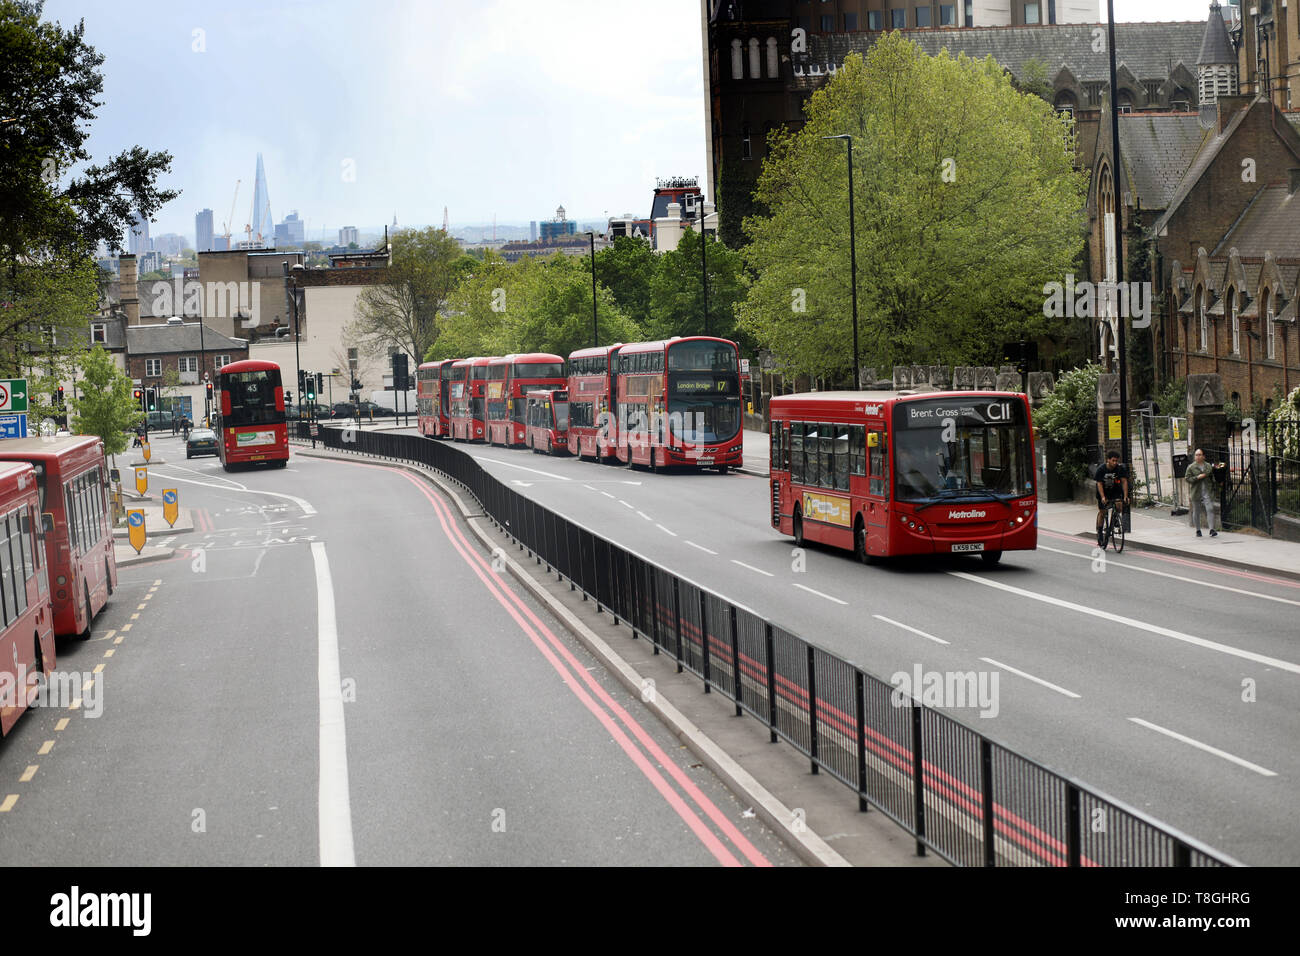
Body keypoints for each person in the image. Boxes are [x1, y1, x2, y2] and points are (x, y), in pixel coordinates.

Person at [1095, 451, 1130, 546]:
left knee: (1119, 505)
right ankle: (1099, 532)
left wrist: (1126, 496)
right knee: (1103, 512)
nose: (1115, 463)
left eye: (1116, 461)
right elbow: (1099, 484)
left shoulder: (1119, 469)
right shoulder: (1101, 469)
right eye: (1113, 460)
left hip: (1115, 491)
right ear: (1108, 460)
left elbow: (1124, 482)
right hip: (1103, 492)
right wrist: (1102, 497)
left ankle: (1114, 520)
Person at [1185, 448, 1219, 537]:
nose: (1198, 456)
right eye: (1196, 455)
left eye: (1200, 455)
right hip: (1196, 492)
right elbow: (1187, 479)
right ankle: (1198, 530)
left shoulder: (1208, 466)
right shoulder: (1191, 467)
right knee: (1196, 511)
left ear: (1204, 456)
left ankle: (1212, 529)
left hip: (1207, 491)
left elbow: (1212, 477)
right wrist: (1197, 477)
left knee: (1210, 509)